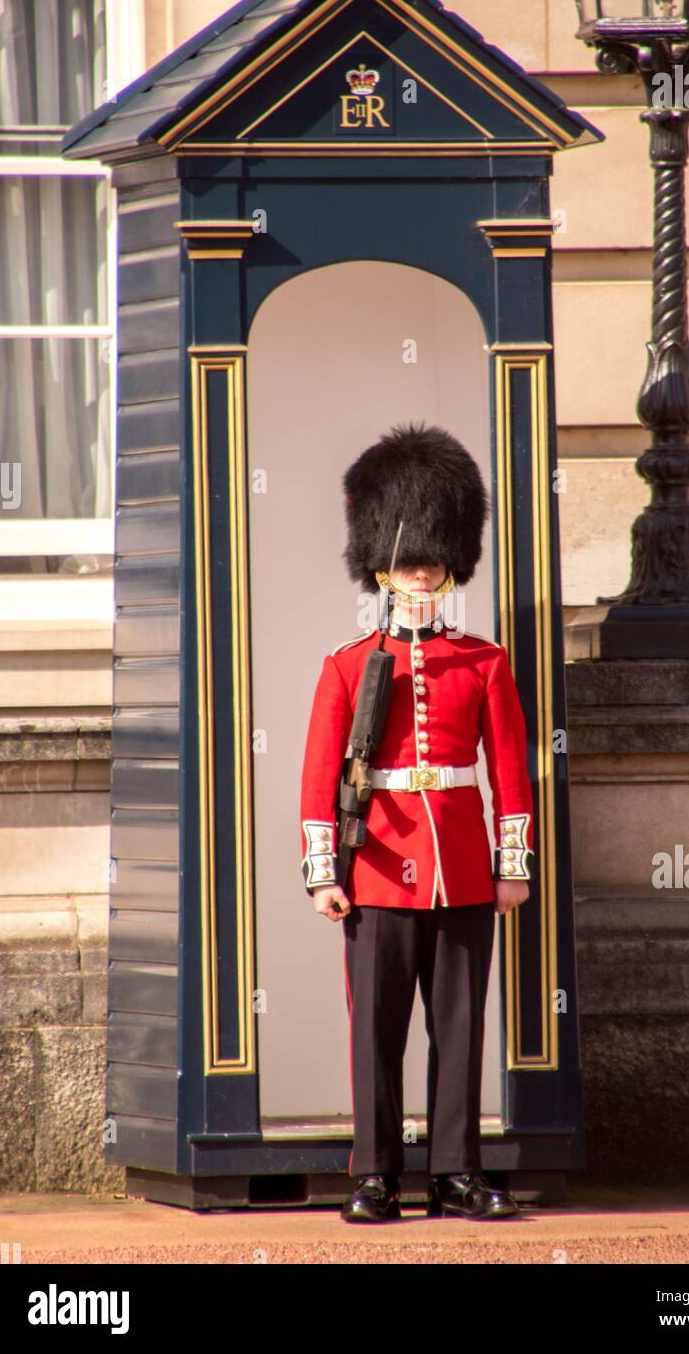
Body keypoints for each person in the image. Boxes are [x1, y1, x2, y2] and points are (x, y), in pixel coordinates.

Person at [299, 422, 535, 1222]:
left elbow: (508, 772)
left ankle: (455, 1172)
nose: (421, 574)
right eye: (407, 563)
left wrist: (513, 863)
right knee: (377, 1030)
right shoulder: (346, 665)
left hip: (464, 866)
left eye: (432, 561)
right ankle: (374, 1175)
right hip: (377, 866)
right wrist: (323, 873)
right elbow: (318, 778)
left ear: (450, 565)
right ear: (380, 569)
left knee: (461, 1029)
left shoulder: (485, 661)